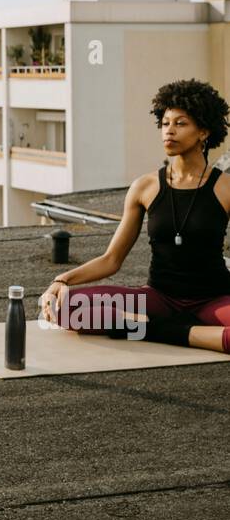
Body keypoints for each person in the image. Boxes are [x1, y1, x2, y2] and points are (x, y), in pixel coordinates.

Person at [38, 79, 230, 354]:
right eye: (165, 123)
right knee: (69, 309)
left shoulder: (225, 188)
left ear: (203, 132)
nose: (169, 131)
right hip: (158, 298)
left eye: (181, 123)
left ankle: (155, 330)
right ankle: (182, 329)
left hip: (214, 299)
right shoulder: (145, 187)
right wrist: (62, 280)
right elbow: (111, 260)